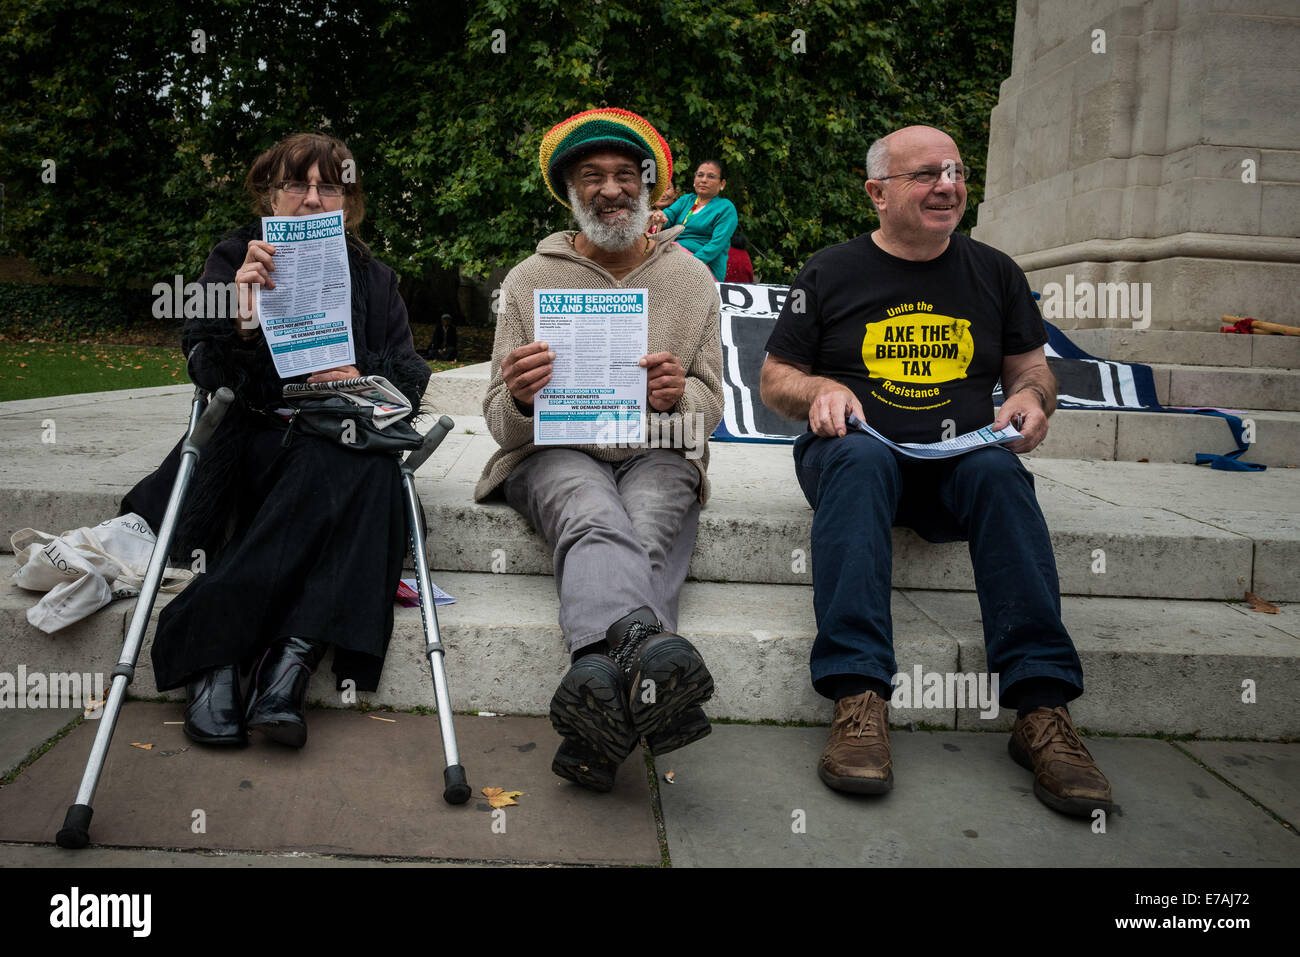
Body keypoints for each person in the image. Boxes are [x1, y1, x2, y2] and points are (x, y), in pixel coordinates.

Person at [759, 125, 1114, 818]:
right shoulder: (829, 271)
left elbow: (1032, 369)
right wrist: (818, 392)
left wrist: (1032, 400)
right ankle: (859, 697)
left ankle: (1042, 708)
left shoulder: (996, 271)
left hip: (957, 458)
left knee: (1000, 476)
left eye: (954, 171)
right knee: (860, 459)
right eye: (925, 174)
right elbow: (776, 379)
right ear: (876, 192)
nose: (947, 185)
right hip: (852, 452)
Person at [121, 133, 430, 749]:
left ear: (349, 202)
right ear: (269, 193)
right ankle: (264, 660)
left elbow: (410, 378)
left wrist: (361, 374)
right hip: (252, 441)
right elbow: (205, 370)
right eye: (297, 184)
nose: (314, 199)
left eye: (330, 187)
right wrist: (240, 319)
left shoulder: (374, 276)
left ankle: (255, 661)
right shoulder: (234, 256)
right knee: (363, 478)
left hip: (338, 432)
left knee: (361, 463)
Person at [477, 108, 725, 792]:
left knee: (645, 523)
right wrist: (523, 399)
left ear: (649, 187)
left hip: (657, 448)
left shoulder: (692, 280)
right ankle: (646, 660)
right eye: (592, 176)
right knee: (589, 508)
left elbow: (713, 409)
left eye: (625, 174)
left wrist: (682, 398)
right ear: (570, 191)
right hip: (556, 449)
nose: (611, 189)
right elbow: (500, 421)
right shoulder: (529, 280)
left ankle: (596, 679)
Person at [649, 159, 738, 280]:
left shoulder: (726, 208)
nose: (704, 180)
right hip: (673, 257)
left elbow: (716, 245)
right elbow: (668, 215)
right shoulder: (686, 200)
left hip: (704, 266)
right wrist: (661, 217)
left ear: (722, 184)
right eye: (700, 175)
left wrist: (690, 264)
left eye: (711, 176)